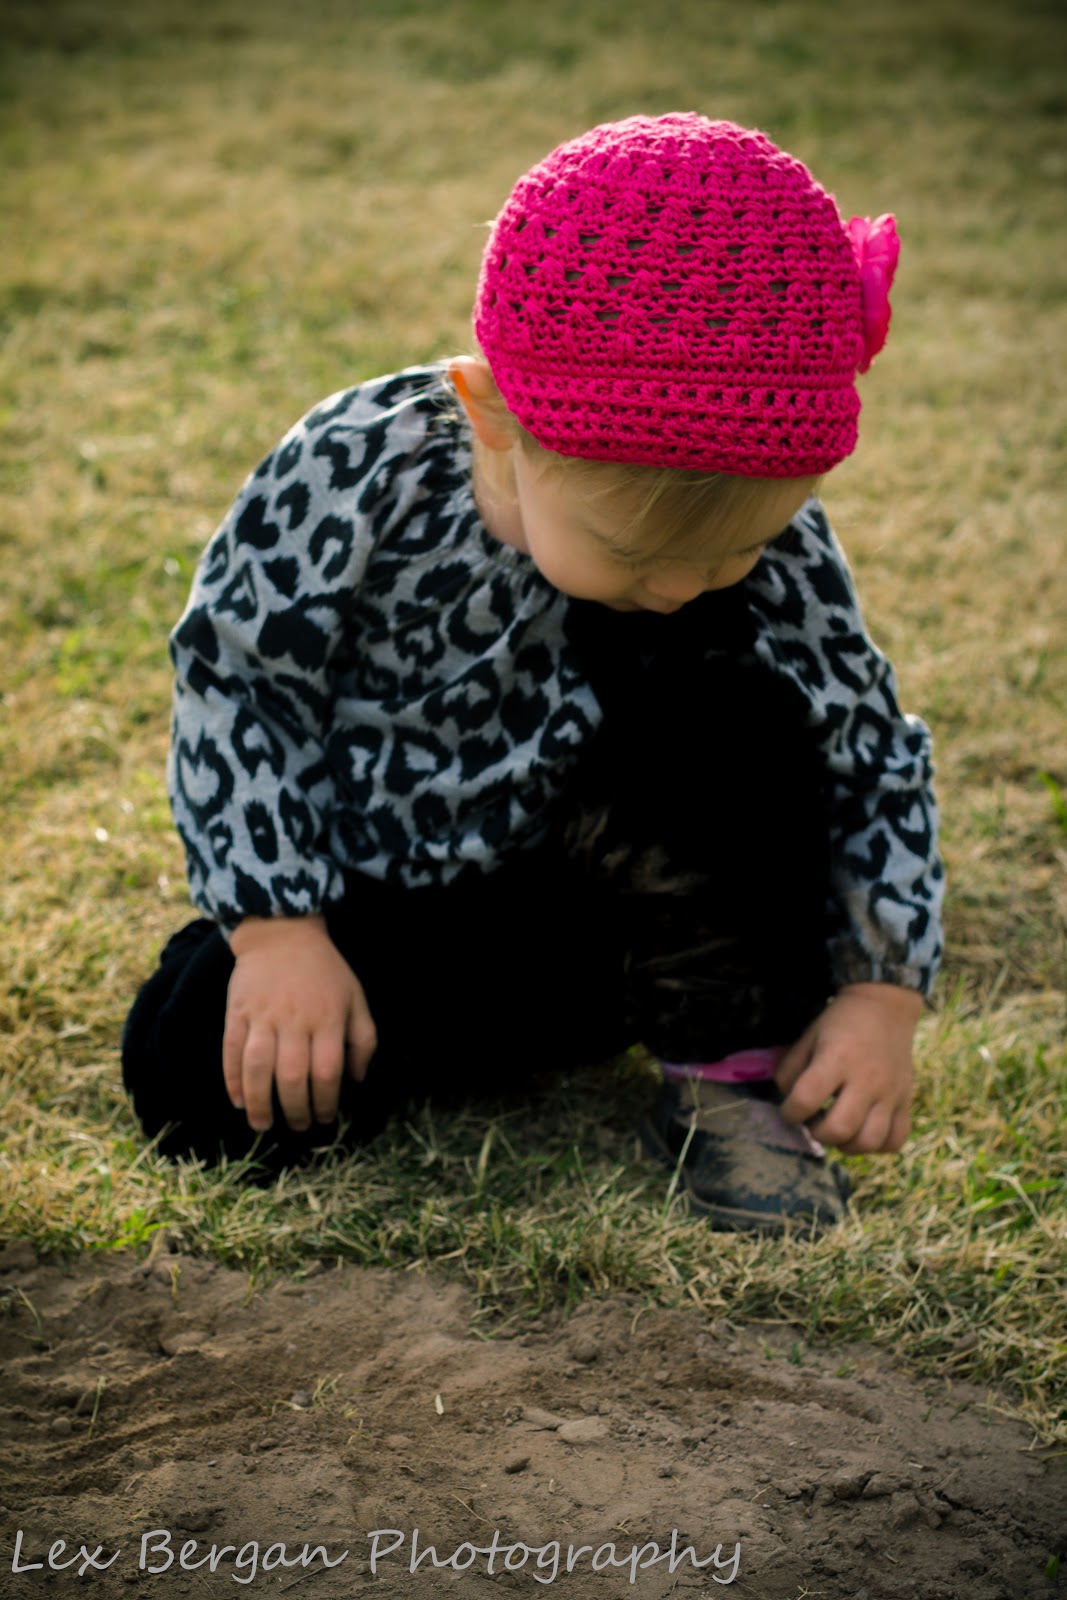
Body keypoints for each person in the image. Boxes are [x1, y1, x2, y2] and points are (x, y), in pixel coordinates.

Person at [122, 114, 943, 1233]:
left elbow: (865, 745)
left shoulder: (752, 520)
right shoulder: (354, 470)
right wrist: (279, 936)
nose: (681, 584)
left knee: (744, 717)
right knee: (189, 1078)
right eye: (637, 554)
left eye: (731, 551)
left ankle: (726, 1072)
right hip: (383, 913)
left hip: (610, 920)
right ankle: (362, 1019)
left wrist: (879, 996)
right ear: (490, 415)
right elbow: (240, 685)